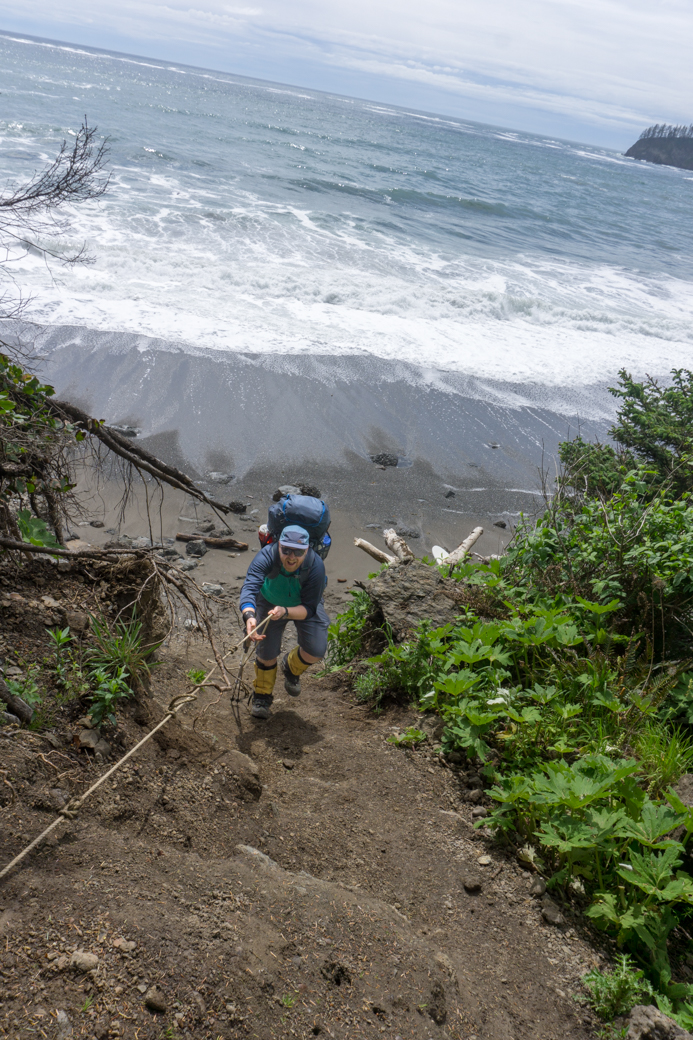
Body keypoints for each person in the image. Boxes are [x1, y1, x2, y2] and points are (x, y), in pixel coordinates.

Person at [239, 524, 330, 718]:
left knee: (316, 650)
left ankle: (290, 667)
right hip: (268, 600)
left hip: (302, 605)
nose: (291, 557)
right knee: (266, 650)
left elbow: (310, 609)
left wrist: (285, 611)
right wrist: (249, 616)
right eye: (286, 550)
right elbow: (250, 587)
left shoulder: (316, 567)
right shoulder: (265, 556)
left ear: (307, 550)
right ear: (279, 545)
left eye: (298, 552)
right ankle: (262, 696)